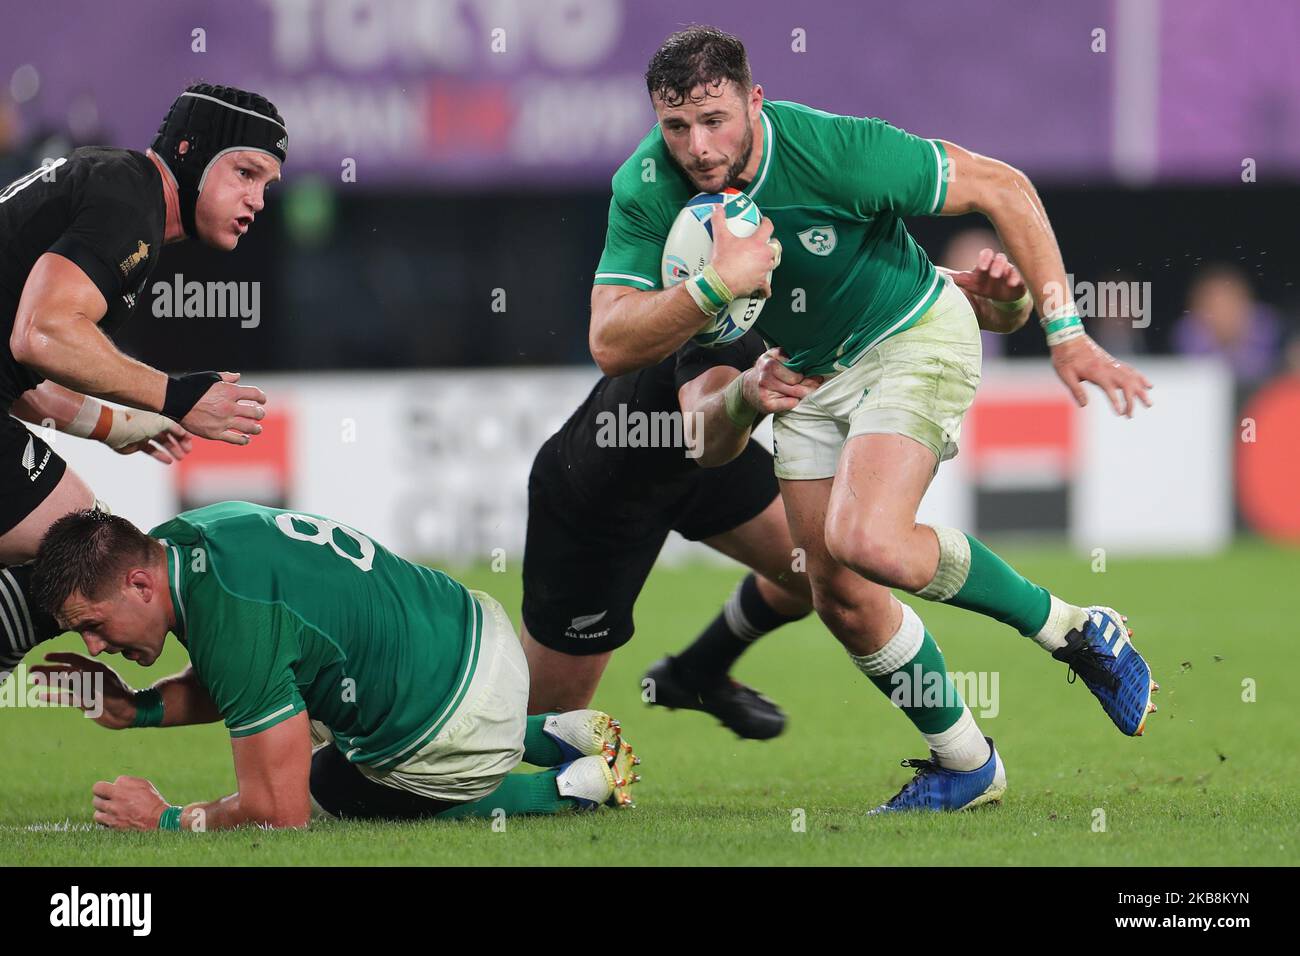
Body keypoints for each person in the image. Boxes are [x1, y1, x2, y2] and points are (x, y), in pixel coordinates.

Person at [587, 26, 1158, 812]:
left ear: (755, 101)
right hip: (809, 373)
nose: (698, 146)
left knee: (868, 539)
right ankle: (965, 763)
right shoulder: (646, 185)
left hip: (911, 334)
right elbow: (611, 342)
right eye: (677, 126)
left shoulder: (830, 150)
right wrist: (716, 296)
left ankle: (1077, 628)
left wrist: (1063, 330)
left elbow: (1003, 186)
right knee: (839, 593)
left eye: (715, 118)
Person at [524, 251, 1033, 742]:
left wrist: (1008, 302)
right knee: (544, 728)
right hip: (605, 492)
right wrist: (748, 393)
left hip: (707, 468)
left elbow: (959, 302)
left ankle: (697, 672)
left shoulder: (829, 262)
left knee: (824, 577)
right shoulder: (721, 308)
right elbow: (703, 431)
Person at [27, 503, 640, 831]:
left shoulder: (234, 618)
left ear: (137, 584)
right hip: (471, 626)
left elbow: (278, 814)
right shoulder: (188, 537)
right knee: (307, 709)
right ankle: (548, 731)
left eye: (93, 625)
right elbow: (247, 673)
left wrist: (163, 819)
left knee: (328, 790)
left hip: (456, 717)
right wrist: (137, 709)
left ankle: (566, 789)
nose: (94, 649)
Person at [0, 83, 281, 679]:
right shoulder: (129, 204)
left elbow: (18, 371)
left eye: (266, 184)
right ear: (190, 150)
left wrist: (115, 423)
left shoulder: (114, 189)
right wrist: (178, 397)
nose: (256, 199)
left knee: (76, 551)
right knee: (89, 555)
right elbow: (41, 335)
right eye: (246, 172)